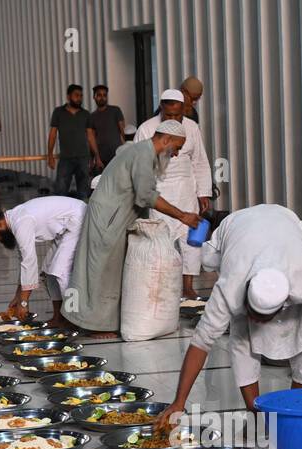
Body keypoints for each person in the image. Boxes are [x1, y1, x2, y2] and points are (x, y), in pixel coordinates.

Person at [155, 204, 302, 428]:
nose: (255, 320)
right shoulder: (230, 286)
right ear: (245, 294)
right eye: (252, 313)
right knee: (241, 337)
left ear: (285, 302)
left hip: (287, 225)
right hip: (238, 229)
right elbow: (201, 343)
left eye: (262, 318)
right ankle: (255, 415)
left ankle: (295, 410)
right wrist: (179, 402)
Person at [62, 120, 201, 338]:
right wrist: (183, 216)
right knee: (102, 270)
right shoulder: (142, 154)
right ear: (166, 140)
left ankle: (102, 321)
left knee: (113, 270)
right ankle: (93, 325)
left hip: (116, 217)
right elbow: (146, 196)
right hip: (109, 218)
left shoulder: (145, 153)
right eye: (177, 148)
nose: (176, 155)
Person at [135, 89, 212, 299]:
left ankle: (188, 284)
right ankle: (163, 282)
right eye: (167, 116)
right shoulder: (146, 128)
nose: (172, 119)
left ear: (183, 111)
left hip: (187, 188)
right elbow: (140, 164)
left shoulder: (192, 127)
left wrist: (203, 192)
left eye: (176, 116)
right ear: (161, 109)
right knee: (161, 238)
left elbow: (200, 161)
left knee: (191, 238)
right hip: (160, 191)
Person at [0, 197, 86, 327]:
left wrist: (24, 303)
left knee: (61, 273)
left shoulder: (21, 222)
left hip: (77, 219)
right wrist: (18, 296)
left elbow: (29, 261)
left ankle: (75, 320)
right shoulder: (14, 220)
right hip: (64, 229)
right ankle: (58, 318)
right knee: (48, 274)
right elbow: (23, 263)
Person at [48, 84, 91, 200]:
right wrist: (50, 155)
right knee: (61, 192)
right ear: (68, 97)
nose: (79, 98)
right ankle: (60, 216)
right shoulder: (58, 112)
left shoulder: (85, 114)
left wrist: (96, 156)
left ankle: (83, 216)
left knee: (83, 193)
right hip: (65, 158)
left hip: (83, 158)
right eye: (76, 95)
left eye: (81, 96)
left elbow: (90, 136)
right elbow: (52, 134)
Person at [86, 84, 125, 171]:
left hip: (117, 155)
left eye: (104, 95)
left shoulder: (115, 111)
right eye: (99, 95)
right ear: (94, 97)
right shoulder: (91, 117)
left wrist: (125, 152)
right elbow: (91, 139)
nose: (102, 98)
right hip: (102, 159)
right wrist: (96, 158)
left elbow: (123, 132)